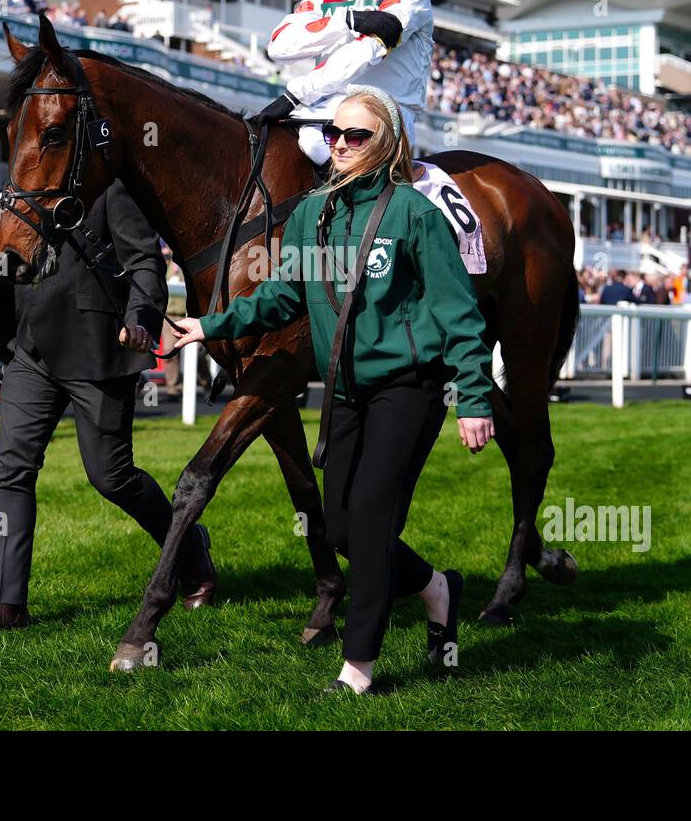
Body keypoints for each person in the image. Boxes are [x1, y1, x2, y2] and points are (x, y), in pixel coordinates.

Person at [172, 85, 493, 695]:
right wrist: (208, 325)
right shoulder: (310, 215)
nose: (340, 145)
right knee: (341, 531)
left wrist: (474, 400)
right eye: (335, 134)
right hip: (344, 393)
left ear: (387, 143)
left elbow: (460, 317)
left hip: (409, 387)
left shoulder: (414, 215)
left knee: (370, 524)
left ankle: (358, 669)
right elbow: (281, 296)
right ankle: (437, 589)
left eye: (357, 135)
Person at [0, 181, 216, 629]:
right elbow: (4, 262)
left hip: (99, 352)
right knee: (12, 468)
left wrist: (141, 321)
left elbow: (144, 262)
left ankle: (191, 553)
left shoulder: (112, 187)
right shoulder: (24, 181)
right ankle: (5, 604)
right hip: (28, 352)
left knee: (112, 477)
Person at [254, 0, 433, 168]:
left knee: (317, 143)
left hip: (385, 111)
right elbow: (279, 46)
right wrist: (347, 20)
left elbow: (366, 52)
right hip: (323, 109)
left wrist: (296, 94)